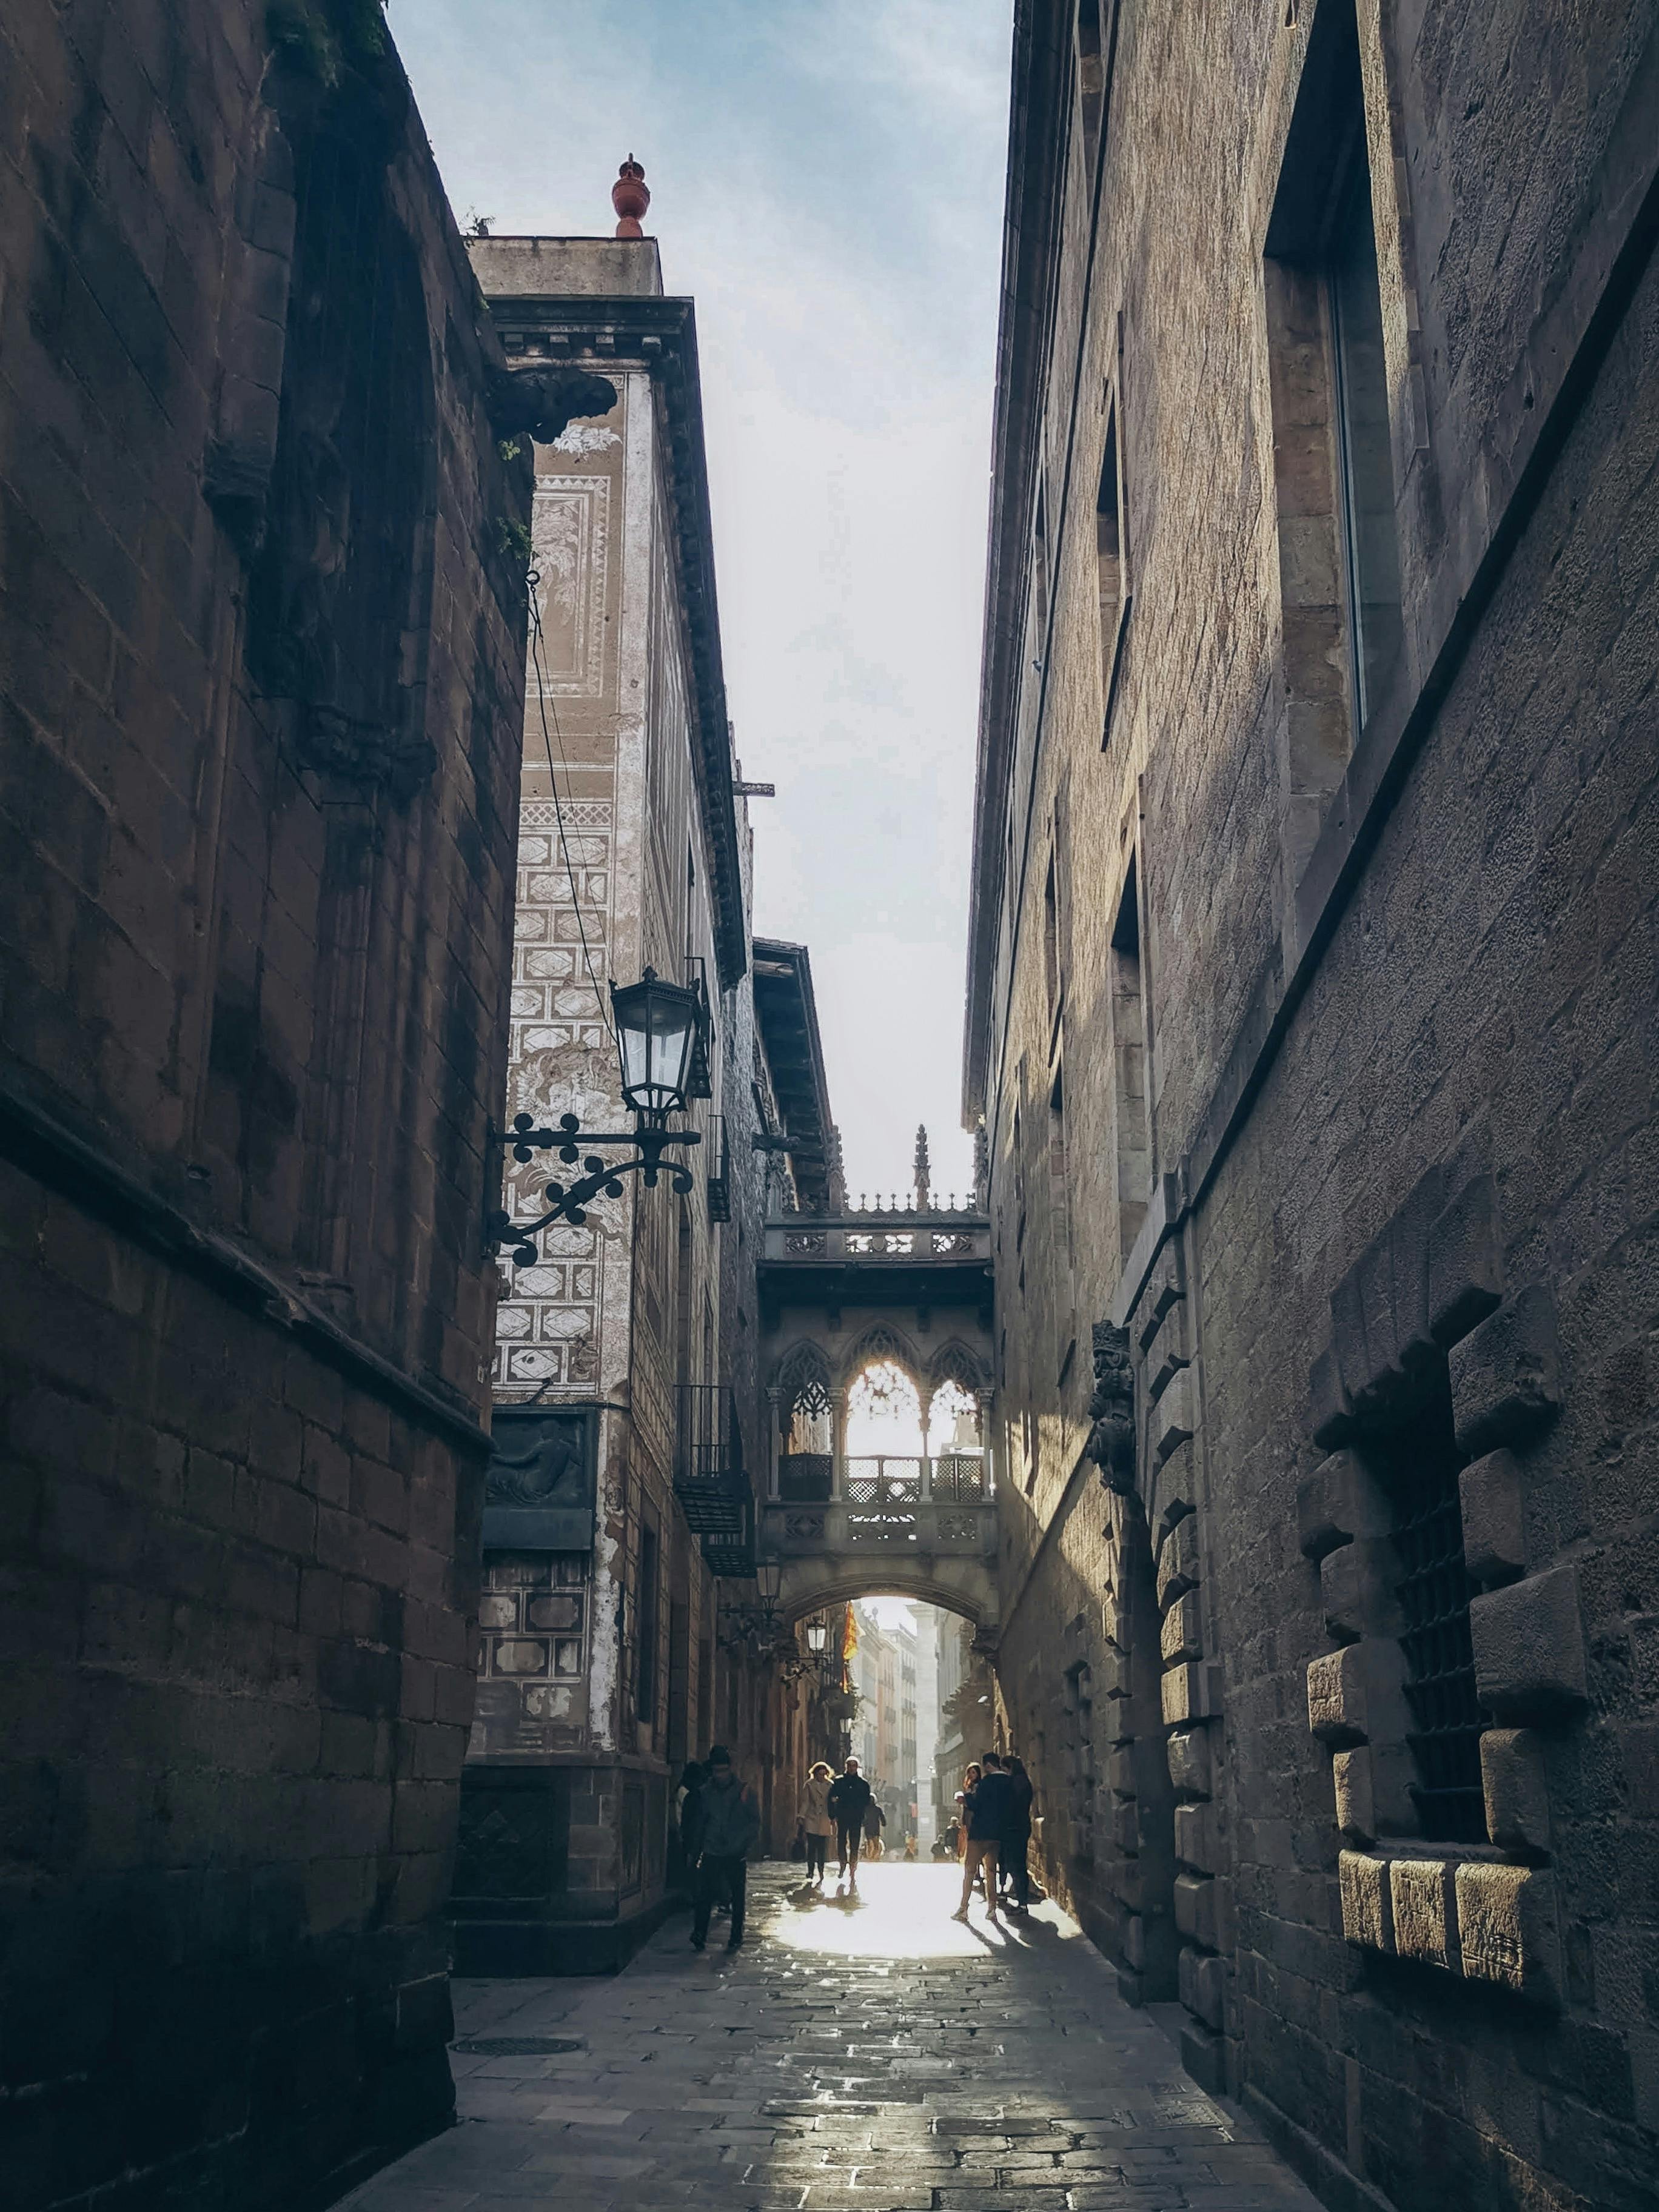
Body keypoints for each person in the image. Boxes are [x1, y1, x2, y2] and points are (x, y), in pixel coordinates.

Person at [691, 1744, 760, 1952]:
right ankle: (699, 1933)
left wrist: (744, 1845)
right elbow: (700, 1823)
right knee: (704, 1895)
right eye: (716, 1771)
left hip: (735, 1852)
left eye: (723, 1771)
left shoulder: (744, 1791)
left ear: (730, 1769)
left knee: (737, 1897)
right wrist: (696, 1851)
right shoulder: (705, 1792)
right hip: (712, 1850)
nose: (720, 1775)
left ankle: (736, 1936)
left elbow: (754, 1822)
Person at [953, 1752, 1011, 1924]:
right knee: (991, 1871)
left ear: (988, 1765)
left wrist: (965, 1799)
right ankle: (992, 1909)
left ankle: (963, 1909)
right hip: (998, 1834)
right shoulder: (1008, 1783)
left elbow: (976, 1805)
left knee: (970, 1870)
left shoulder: (985, 1784)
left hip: (980, 1833)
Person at [826, 1755, 873, 1885]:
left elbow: (866, 1801)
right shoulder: (839, 1781)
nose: (852, 1768)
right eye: (850, 1765)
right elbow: (831, 1798)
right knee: (841, 1841)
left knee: (855, 1844)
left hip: (856, 1817)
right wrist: (832, 1815)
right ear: (846, 1766)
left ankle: (853, 1868)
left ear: (857, 1767)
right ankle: (843, 1864)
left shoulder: (863, 1784)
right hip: (842, 1816)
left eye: (854, 1766)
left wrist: (861, 1811)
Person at [999, 1752, 1034, 1914]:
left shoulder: (1014, 1783)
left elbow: (1010, 1806)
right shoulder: (1024, 1781)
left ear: (1009, 1768)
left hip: (1014, 1828)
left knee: (1016, 1865)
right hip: (1022, 1826)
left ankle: (1022, 1903)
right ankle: (1022, 1902)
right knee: (1019, 1864)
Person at [797, 1760, 834, 1883]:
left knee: (822, 1848)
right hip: (811, 1818)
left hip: (824, 1818)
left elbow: (833, 1802)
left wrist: (834, 1817)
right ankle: (810, 1871)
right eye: (820, 1774)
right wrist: (801, 1816)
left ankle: (821, 1871)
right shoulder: (809, 1785)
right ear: (815, 1774)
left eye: (824, 1774)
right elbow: (805, 1802)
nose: (822, 1777)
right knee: (812, 1848)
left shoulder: (831, 1785)